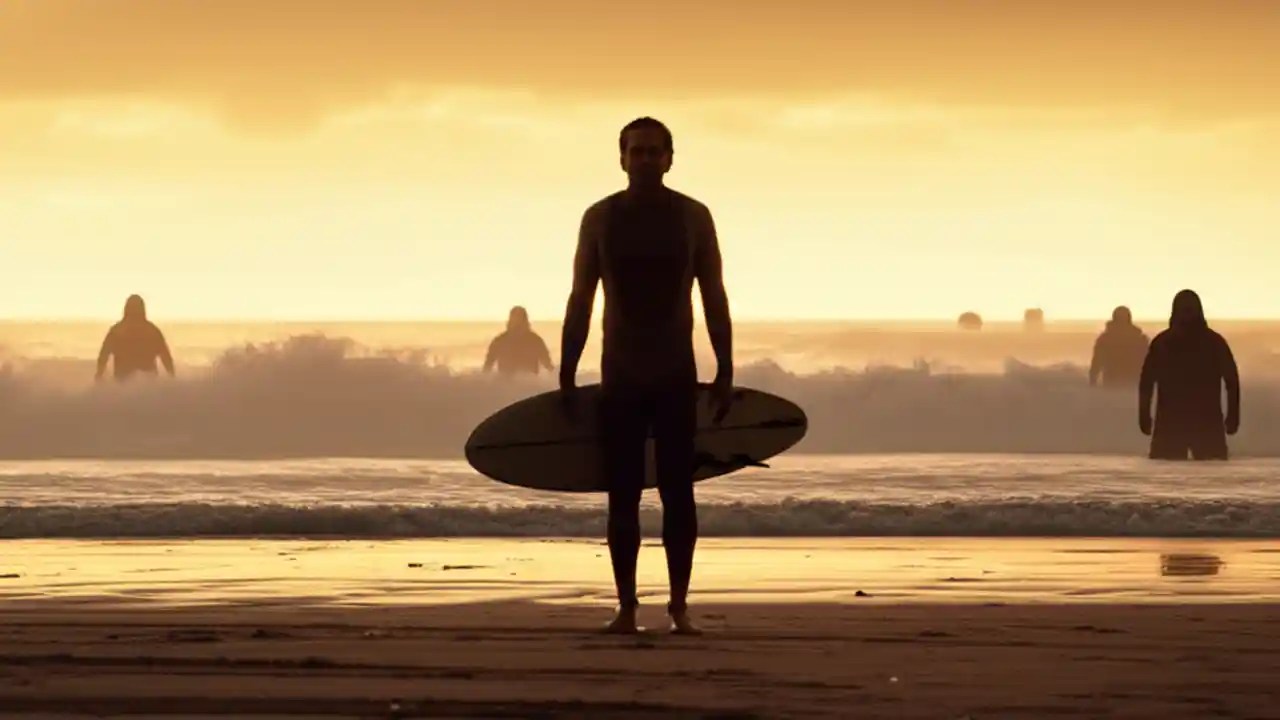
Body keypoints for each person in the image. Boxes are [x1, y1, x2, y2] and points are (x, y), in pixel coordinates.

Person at [559, 117, 733, 635]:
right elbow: (580, 300)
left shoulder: (693, 217)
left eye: (655, 151)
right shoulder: (600, 218)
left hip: (676, 375)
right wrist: (566, 375)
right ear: (621, 158)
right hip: (621, 378)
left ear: (670, 158)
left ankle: (679, 608)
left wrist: (725, 368)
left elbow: (714, 296)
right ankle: (627, 608)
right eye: (636, 151)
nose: (645, 159)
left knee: (679, 494)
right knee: (623, 496)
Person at [1138, 290, 1240, 460]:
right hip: (1177, 422)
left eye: (1190, 310)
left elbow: (1232, 381)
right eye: (1184, 310)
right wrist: (1143, 416)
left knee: (1206, 473)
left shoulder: (1211, 343)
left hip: (1200, 421)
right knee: (1169, 474)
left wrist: (1233, 417)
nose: (1187, 315)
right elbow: (1146, 382)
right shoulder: (1165, 343)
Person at [95, 294, 175, 382]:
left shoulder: (117, 330)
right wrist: (172, 377)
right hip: (145, 384)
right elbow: (166, 357)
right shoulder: (152, 331)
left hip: (127, 383)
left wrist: (99, 376)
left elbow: (103, 356)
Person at [483, 306, 554, 376]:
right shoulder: (499, 341)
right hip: (505, 382)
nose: (517, 324)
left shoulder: (535, 341)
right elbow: (487, 367)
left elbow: (548, 365)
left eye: (520, 320)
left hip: (530, 382)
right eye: (515, 320)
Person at [1089, 306, 1149, 388]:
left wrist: (1093, 380)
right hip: (1121, 382)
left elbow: (1096, 361)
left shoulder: (1105, 338)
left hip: (1124, 382)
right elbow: (1097, 361)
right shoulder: (1139, 338)